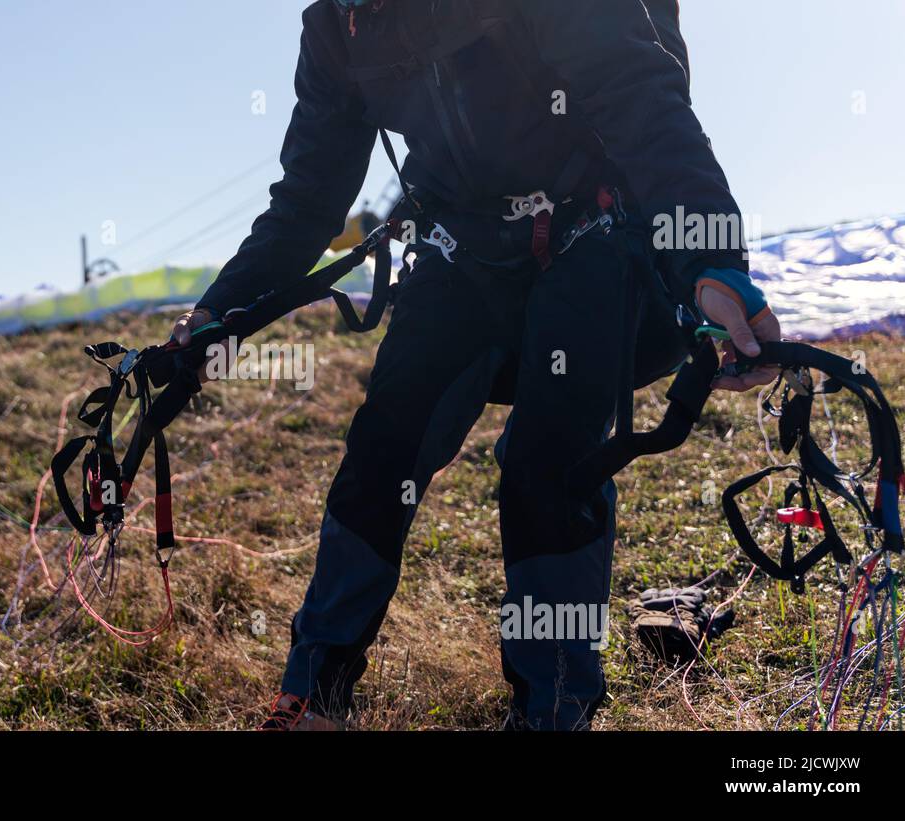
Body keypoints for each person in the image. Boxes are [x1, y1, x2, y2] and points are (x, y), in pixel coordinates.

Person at [170, 0, 781, 730]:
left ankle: (555, 708)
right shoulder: (336, 25)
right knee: (385, 443)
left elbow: (639, 96)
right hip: (459, 250)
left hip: (592, 230)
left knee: (550, 459)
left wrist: (712, 261)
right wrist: (221, 311)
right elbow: (308, 198)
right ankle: (313, 695)